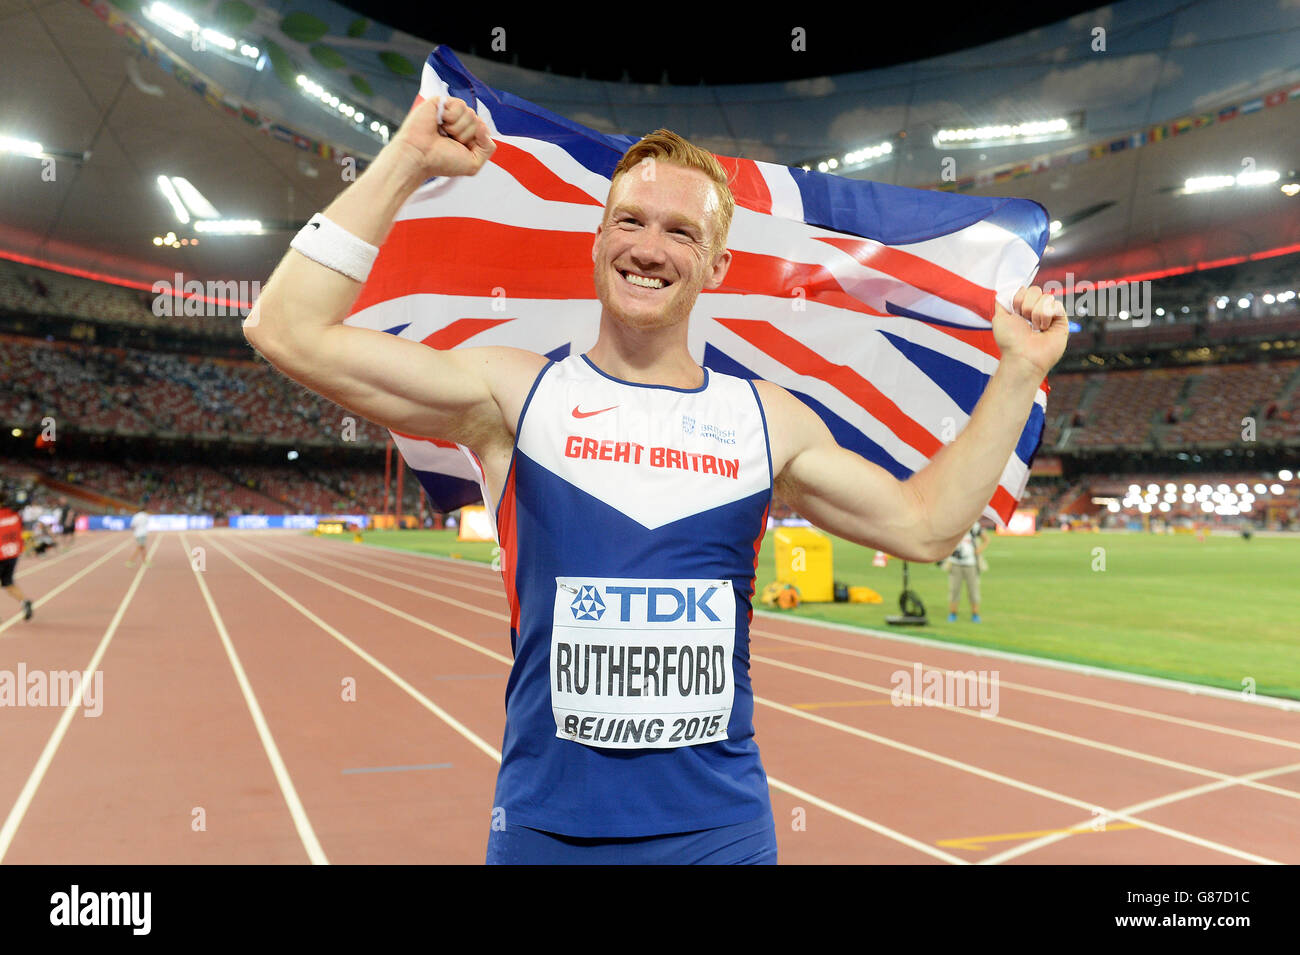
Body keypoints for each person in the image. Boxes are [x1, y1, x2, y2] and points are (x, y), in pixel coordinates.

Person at [244, 97, 1069, 864]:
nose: (648, 246)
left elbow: (925, 526)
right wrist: (407, 159)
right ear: (597, 239)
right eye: (629, 221)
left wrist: (1017, 372)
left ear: (715, 264)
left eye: (680, 231)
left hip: (718, 832)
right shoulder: (512, 395)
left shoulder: (766, 421)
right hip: (547, 830)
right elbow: (285, 329)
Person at [946, 521, 989, 622]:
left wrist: (979, 550)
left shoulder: (974, 526)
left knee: (973, 590)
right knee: (954, 589)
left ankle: (975, 614)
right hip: (955, 562)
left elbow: (986, 539)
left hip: (971, 563)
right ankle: (953, 613)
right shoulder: (954, 525)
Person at [0, 491, 34, 620]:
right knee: (8, 584)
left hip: (1, 555)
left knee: (8, 584)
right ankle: (24, 602)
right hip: (13, 554)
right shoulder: (15, 515)